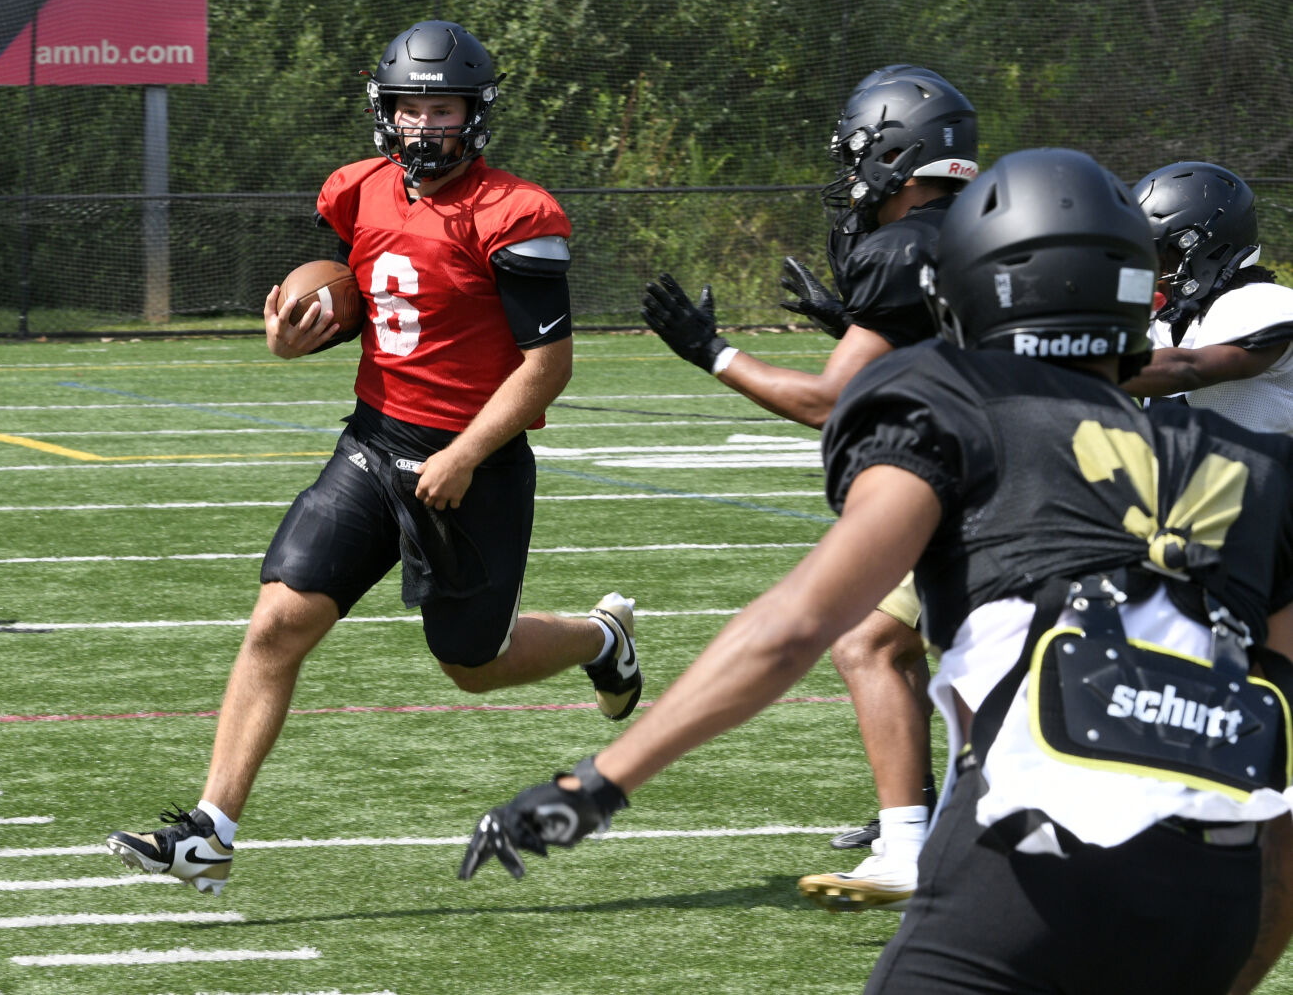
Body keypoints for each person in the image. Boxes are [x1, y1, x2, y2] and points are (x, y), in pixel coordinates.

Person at [461, 148, 1293, 994]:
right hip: (1209, 896)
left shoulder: (953, 405)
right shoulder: (1258, 472)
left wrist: (599, 782)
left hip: (1025, 870)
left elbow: (793, 626)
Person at [103, 20, 642, 896]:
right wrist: (292, 336)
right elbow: (361, 306)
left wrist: (467, 452)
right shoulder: (354, 192)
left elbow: (547, 366)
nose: (426, 125)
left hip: (477, 462)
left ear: (475, 114)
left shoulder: (517, 213)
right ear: (384, 113)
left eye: (443, 107)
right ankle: (211, 831)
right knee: (277, 618)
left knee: (472, 664)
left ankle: (600, 637)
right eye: (410, 107)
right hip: (374, 441)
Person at [641, 65, 978, 909]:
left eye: (858, 156)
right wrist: (858, 324)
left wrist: (710, 350)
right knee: (896, 642)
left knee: (878, 642)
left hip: (972, 486)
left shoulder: (902, 247)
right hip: (1034, 462)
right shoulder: (983, 223)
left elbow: (833, 404)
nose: (849, 178)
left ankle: (928, 843)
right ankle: (937, 834)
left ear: (895, 155)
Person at [1122, 161, 1293, 432]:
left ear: (1210, 251)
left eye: (1159, 261)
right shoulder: (1169, 321)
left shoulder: (1259, 304)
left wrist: (1077, 358)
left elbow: (1186, 370)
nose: (1145, 274)